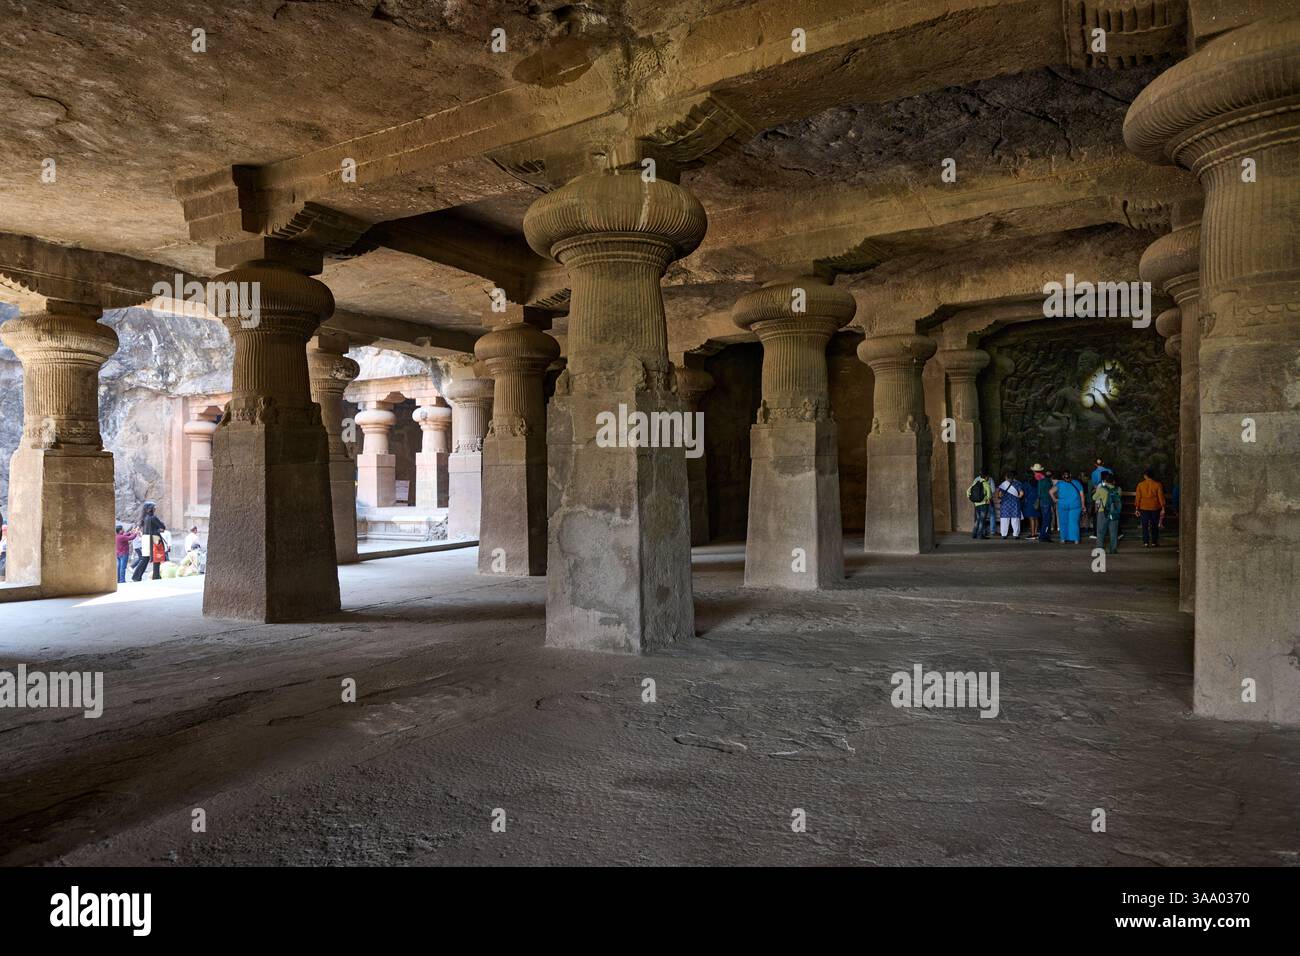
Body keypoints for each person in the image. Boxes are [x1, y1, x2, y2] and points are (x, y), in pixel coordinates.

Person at [131, 501, 167, 581]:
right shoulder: (153, 518)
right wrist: (159, 528)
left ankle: (136, 576)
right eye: (154, 507)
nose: (155, 509)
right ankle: (156, 576)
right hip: (153, 539)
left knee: (145, 558)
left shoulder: (143, 518)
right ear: (150, 509)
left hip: (145, 539)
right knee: (156, 558)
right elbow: (162, 526)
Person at [1051, 469, 1086, 543]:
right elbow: (1082, 495)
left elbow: (1050, 492)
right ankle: (1076, 539)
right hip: (1075, 505)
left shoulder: (1060, 483)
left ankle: (1063, 539)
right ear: (1070, 475)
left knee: (1063, 522)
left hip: (1062, 505)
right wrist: (1083, 505)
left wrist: (1055, 499)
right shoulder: (1077, 483)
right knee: (1074, 522)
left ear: (1063, 476)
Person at [1134, 468, 1166, 548]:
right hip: (1155, 507)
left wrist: (1137, 508)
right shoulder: (1158, 484)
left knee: (1144, 525)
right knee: (1154, 525)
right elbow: (1161, 497)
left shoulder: (1140, 485)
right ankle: (1154, 542)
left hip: (1144, 507)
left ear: (1145, 476)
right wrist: (1163, 507)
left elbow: (1138, 497)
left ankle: (1145, 542)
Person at [1093, 471, 1122, 554]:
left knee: (1100, 532)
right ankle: (1113, 549)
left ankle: (1100, 549)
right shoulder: (1118, 489)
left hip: (1103, 512)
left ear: (1105, 481)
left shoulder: (1101, 489)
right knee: (1113, 533)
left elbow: (1094, 498)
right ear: (1114, 481)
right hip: (1114, 512)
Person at [995, 470, 1024, 539]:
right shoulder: (1018, 484)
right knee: (1015, 519)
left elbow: (998, 494)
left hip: (1005, 504)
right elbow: (1021, 493)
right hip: (1015, 504)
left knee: (1004, 519)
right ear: (1013, 477)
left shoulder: (1003, 484)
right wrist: (1018, 498)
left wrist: (999, 497)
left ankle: (1004, 535)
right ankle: (1016, 535)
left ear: (1006, 477)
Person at [967, 468, 993, 540]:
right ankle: (980, 535)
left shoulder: (975, 482)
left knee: (978, 519)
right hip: (984, 504)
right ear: (986, 477)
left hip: (976, 504)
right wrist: (987, 499)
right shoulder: (986, 484)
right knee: (982, 520)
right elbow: (989, 495)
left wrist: (972, 498)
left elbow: (968, 491)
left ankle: (974, 534)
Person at [1032, 464, 1054, 542]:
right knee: (1047, 519)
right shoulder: (1047, 481)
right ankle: (1044, 536)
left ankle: (1043, 534)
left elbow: (1039, 492)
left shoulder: (1040, 481)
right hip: (1047, 501)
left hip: (1041, 501)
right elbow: (1051, 492)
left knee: (1044, 518)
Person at [1022, 470, 1040, 540]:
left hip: (1029, 501)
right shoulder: (1038, 482)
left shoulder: (1026, 483)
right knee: (1036, 517)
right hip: (1037, 501)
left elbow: (1024, 493)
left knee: (1031, 518)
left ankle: (1032, 534)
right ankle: (1035, 533)